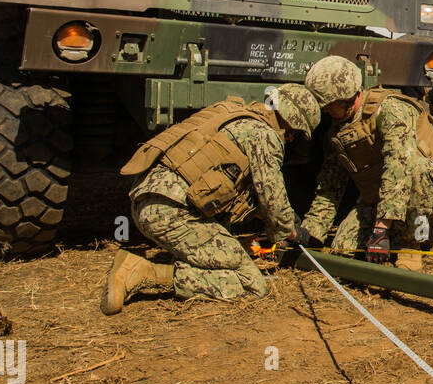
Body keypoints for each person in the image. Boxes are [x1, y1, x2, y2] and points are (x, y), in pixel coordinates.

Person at [102, 84, 320, 314]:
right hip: (170, 214)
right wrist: (292, 232)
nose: (292, 140)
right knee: (252, 284)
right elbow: (272, 198)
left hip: (147, 200)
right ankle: (144, 273)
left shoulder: (232, 114)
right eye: (295, 134)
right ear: (291, 121)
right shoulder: (264, 136)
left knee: (230, 252)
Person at [300, 55, 433, 270]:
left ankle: (414, 241)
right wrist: (310, 233)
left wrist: (380, 230)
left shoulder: (390, 110)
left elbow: (399, 168)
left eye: (328, 105)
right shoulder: (337, 130)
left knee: (417, 170)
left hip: (430, 184)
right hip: (383, 192)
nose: (324, 111)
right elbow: (330, 186)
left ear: (347, 97)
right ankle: (408, 228)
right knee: (342, 252)